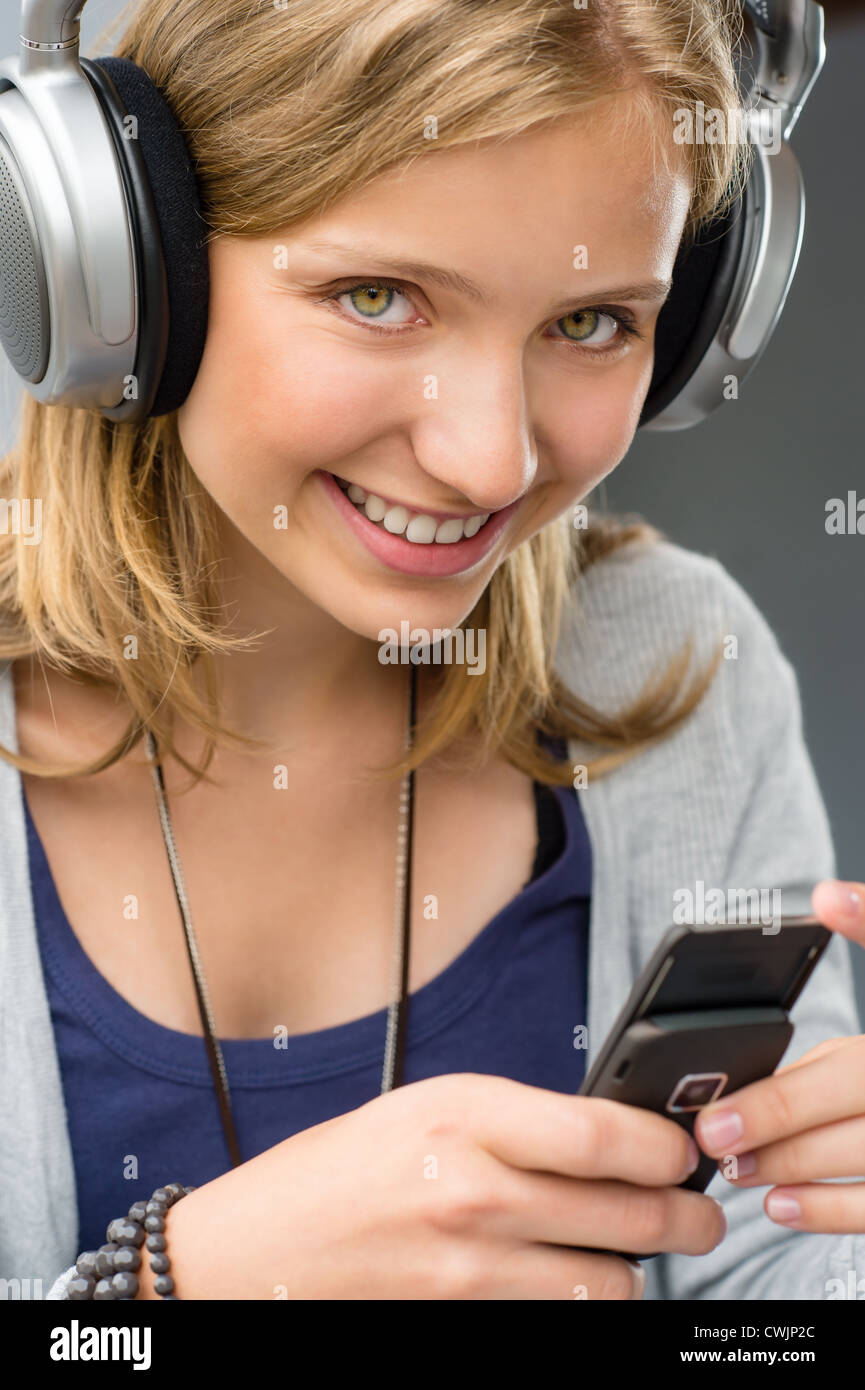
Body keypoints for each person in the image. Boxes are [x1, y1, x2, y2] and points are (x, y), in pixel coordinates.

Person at [0, 0, 862, 1302]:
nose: (491, 459)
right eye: (377, 297)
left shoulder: (678, 671)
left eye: (589, 324)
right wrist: (167, 1290)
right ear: (126, 278)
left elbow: (769, 1286)